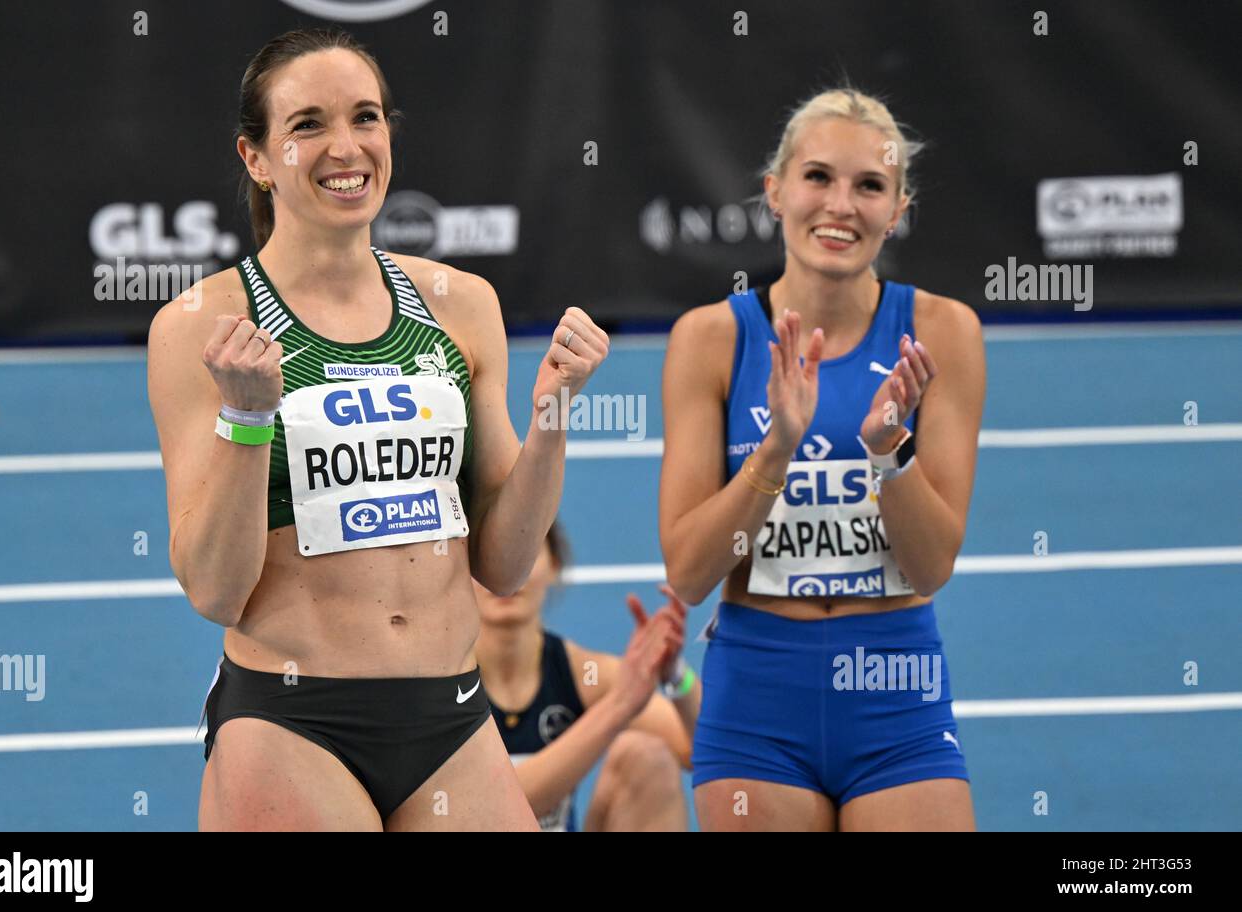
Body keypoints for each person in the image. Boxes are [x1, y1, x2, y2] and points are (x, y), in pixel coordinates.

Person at [146, 28, 608, 831]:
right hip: (292, 722)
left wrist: (554, 413)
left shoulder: (460, 306)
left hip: (453, 719)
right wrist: (249, 418)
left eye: (365, 117)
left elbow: (504, 564)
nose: (346, 147)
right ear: (256, 158)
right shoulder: (202, 326)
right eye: (308, 125)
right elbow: (215, 590)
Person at [659, 89, 986, 831]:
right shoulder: (710, 341)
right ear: (774, 192)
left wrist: (886, 455)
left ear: (898, 208)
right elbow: (689, 572)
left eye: (870, 186)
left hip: (896, 689)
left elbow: (932, 566)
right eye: (817, 178)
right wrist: (775, 449)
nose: (841, 205)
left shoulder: (944, 333)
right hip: (757, 700)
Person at [473, 521, 698, 831]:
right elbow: (485, 812)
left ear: (554, 566)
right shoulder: (438, 685)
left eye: (523, 554)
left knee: (648, 759)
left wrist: (676, 676)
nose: (507, 574)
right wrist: (618, 707)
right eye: (489, 559)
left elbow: (698, 751)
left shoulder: (584, 674)